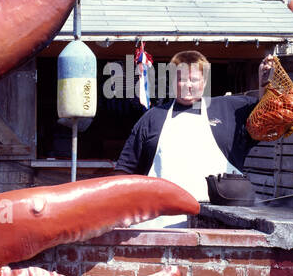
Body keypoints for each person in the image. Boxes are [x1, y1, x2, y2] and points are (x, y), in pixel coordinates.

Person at [116, 50, 274, 226]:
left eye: (194, 80)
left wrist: (264, 81)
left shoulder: (231, 110)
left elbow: (268, 113)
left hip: (220, 227)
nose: (187, 85)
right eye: (181, 79)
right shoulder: (152, 118)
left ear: (205, 81)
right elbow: (125, 171)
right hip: (159, 226)